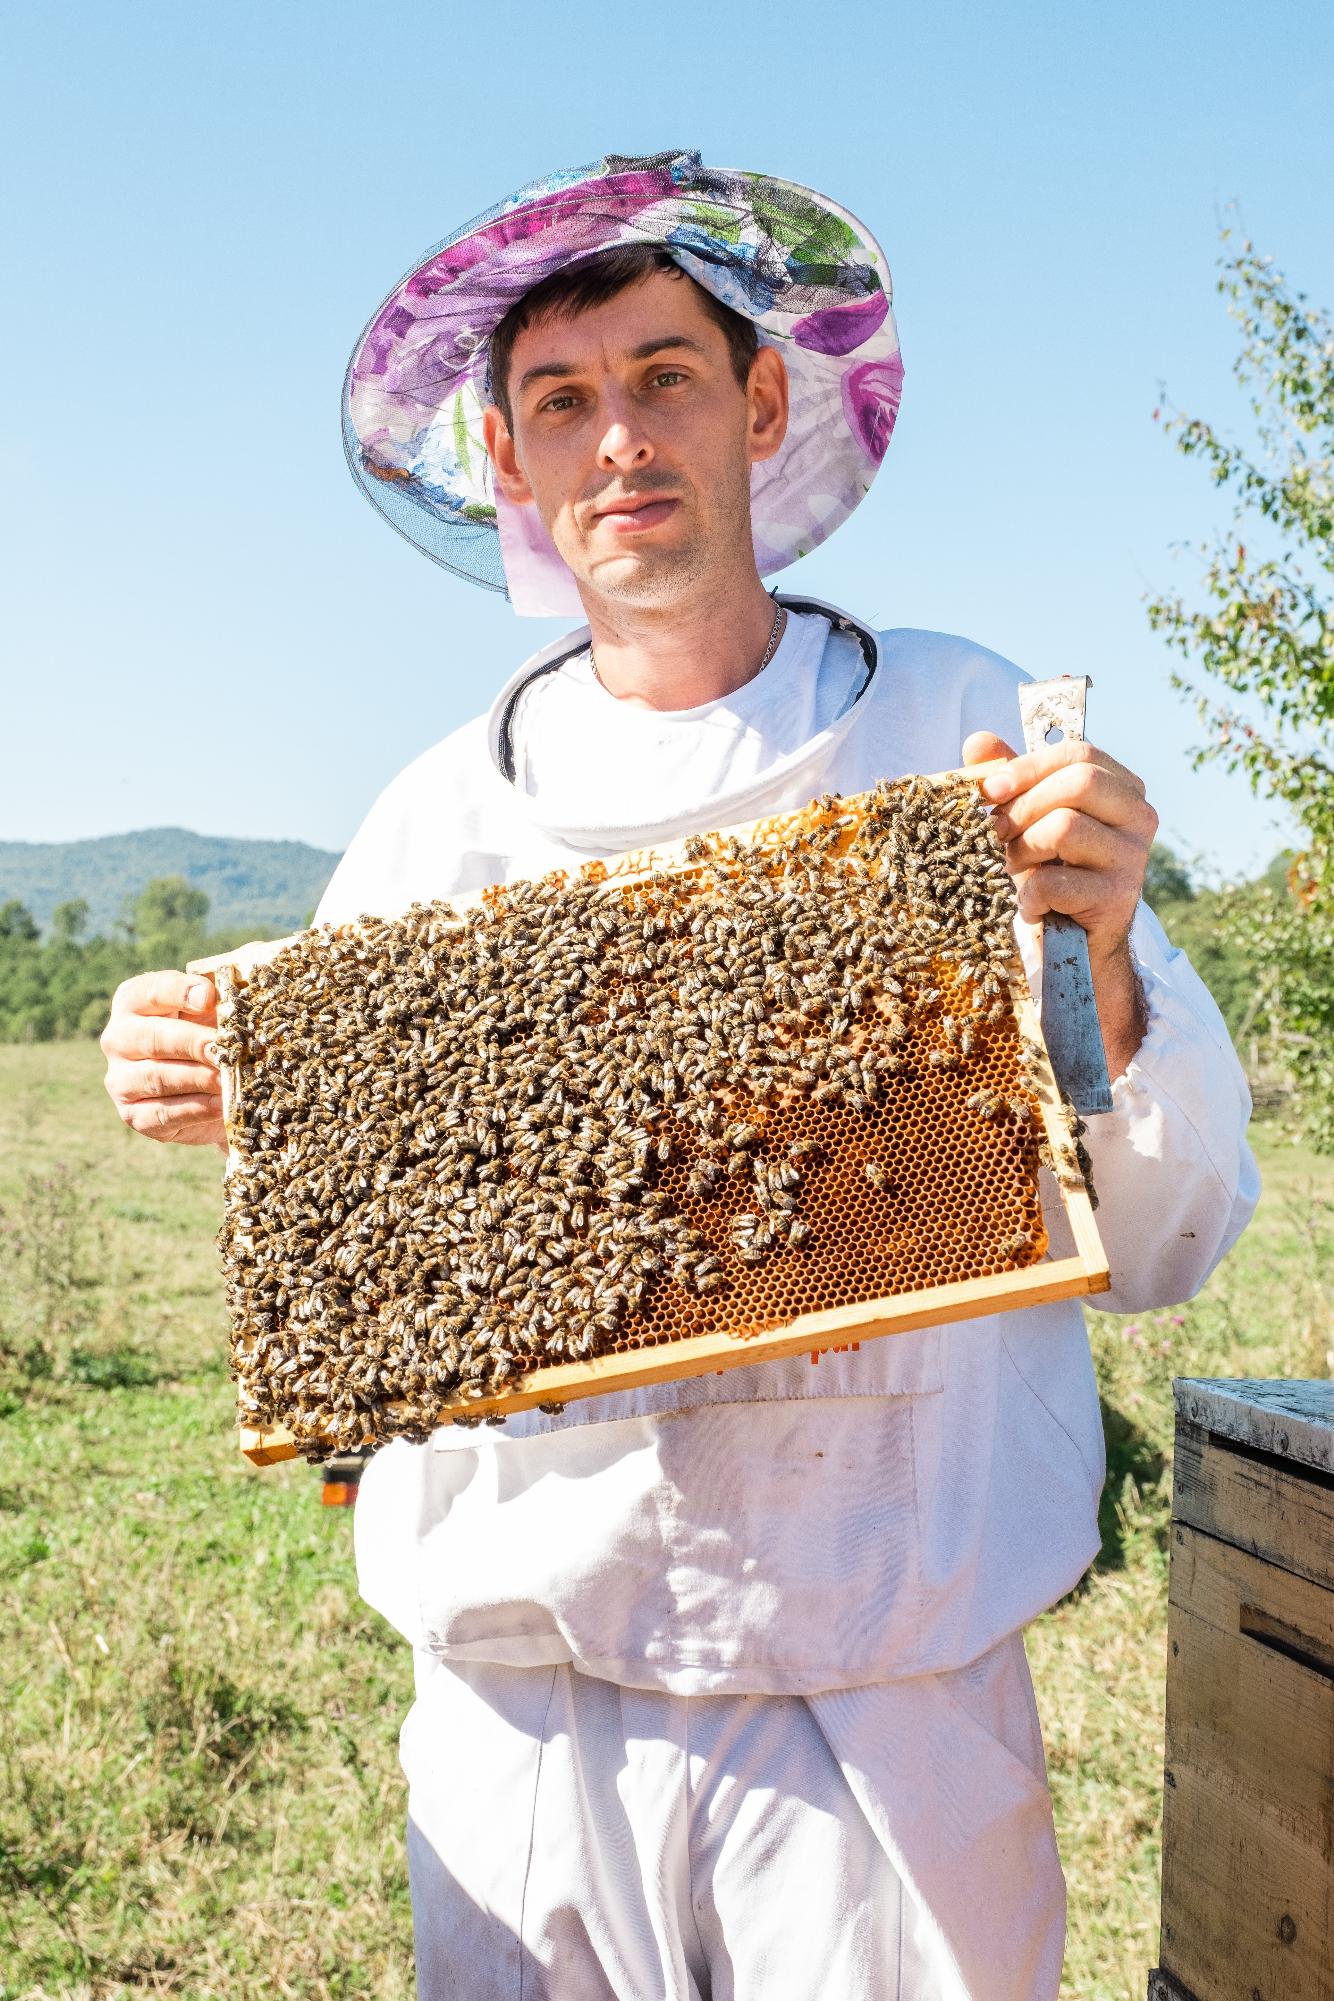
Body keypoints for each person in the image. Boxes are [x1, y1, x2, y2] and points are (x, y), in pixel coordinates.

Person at [100, 151, 1258, 1999]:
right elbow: (350, 1263)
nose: (616, 440)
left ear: (762, 405)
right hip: (520, 1715)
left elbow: (1174, 1226)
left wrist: (1097, 957)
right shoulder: (429, 823)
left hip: (886, 1697)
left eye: (663, 378)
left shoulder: (953, 727)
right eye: (561, 401)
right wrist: (200, 1071)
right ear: (509, 466)